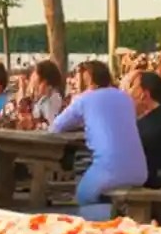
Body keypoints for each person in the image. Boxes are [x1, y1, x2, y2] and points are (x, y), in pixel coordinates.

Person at [49, 61, 148, 219]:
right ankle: (116, 213)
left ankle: (112, 216)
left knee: (83, 196)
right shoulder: (126, 98)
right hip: (139, 171)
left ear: (87, 79)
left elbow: (56, 126)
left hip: (109, 169)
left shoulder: (84, 99)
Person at [29, 60, 66, 125]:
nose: (32, 76)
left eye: (35, 72)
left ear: (44, 82)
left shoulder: (53, 98)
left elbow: (50, 123)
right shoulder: (41, 100)